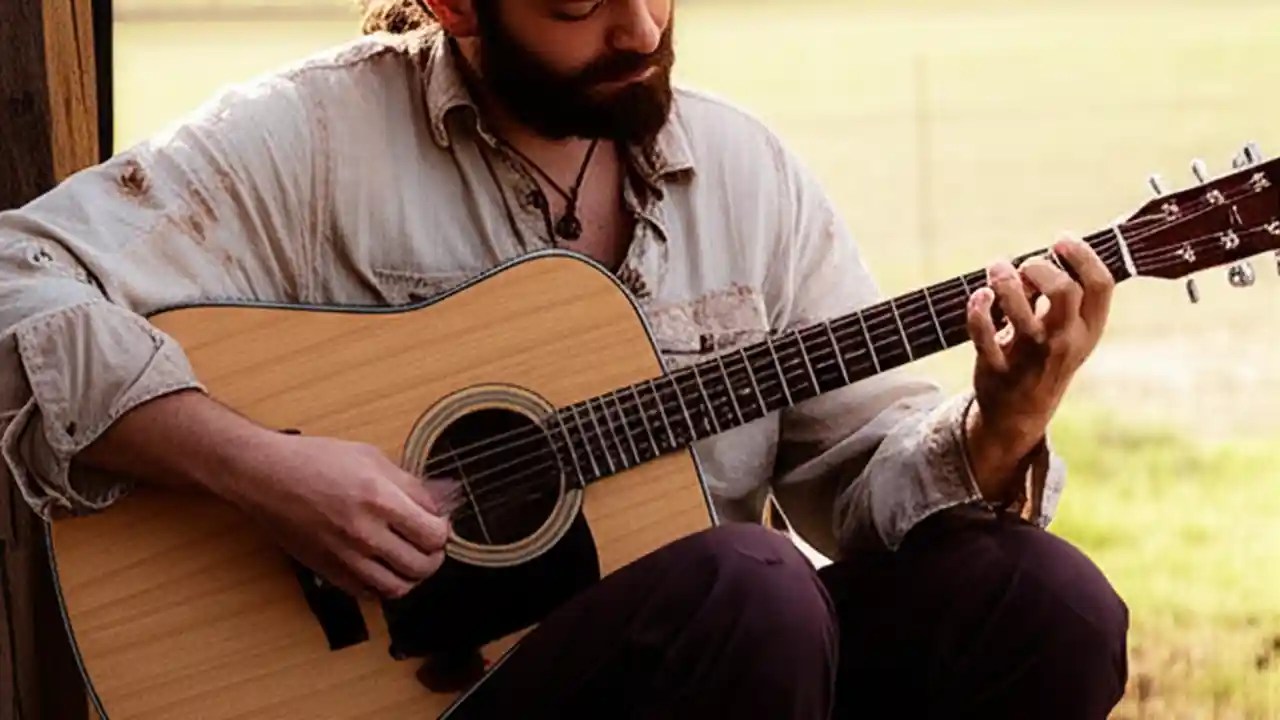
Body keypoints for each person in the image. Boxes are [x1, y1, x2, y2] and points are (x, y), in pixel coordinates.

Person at [0, 0, 1129, 717]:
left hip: (727, 682)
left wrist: (999, 429)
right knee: (751, 589)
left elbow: (860, 486)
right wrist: (263, 472)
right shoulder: (311, 144)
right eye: (578, 3)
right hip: (441, 695)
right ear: (456, 6)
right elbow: (17, 278)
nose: (638, 29)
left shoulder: (746, 175)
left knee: (1043, 604)